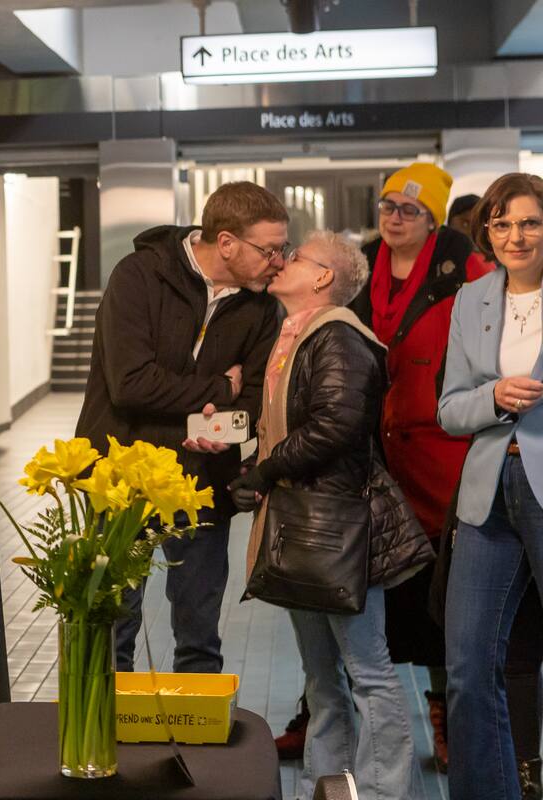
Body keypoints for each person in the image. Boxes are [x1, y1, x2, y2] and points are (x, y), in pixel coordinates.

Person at [229, 230, 430, 800]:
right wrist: (252, 464)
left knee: (369, 672)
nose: (280, 262)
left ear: (322, 278)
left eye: (294, 256)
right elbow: (292, 424)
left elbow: (335, 427)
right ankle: (332, 784)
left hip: (337, 529)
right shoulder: (292, 336)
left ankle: (385, 792)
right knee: (322, 678)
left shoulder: (338, 335)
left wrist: (265, 472)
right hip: (305, 526)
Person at [75, 181, 282, 673]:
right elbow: (130, 384)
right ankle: (108, 742)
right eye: (269, 249)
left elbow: (253, 397)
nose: (278, 260)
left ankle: (200, 744)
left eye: (282, 249)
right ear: (226, 242)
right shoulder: (140, 276)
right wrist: (220, 390)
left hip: (203, 478)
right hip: (121, 477)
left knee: (199, 628)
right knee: (112, 623)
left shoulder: (261, 307)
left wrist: (227, 423)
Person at [347, 163, 491, 771]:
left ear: (432, 218)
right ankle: (329, 716)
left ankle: (447, 720)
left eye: (410, 209)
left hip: (440, 457)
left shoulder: (464, 267)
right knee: (363, 590)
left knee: (441, 600)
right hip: (374, 457)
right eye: (388, 206)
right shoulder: (362, 265)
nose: (396, 217)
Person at [438, 172, 543, 800]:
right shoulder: (471, 299)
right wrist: (495, 398)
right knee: (469, 671)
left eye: (529, 221)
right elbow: (450, 409)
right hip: (486, 495)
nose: (515, 235)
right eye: (501, 223)